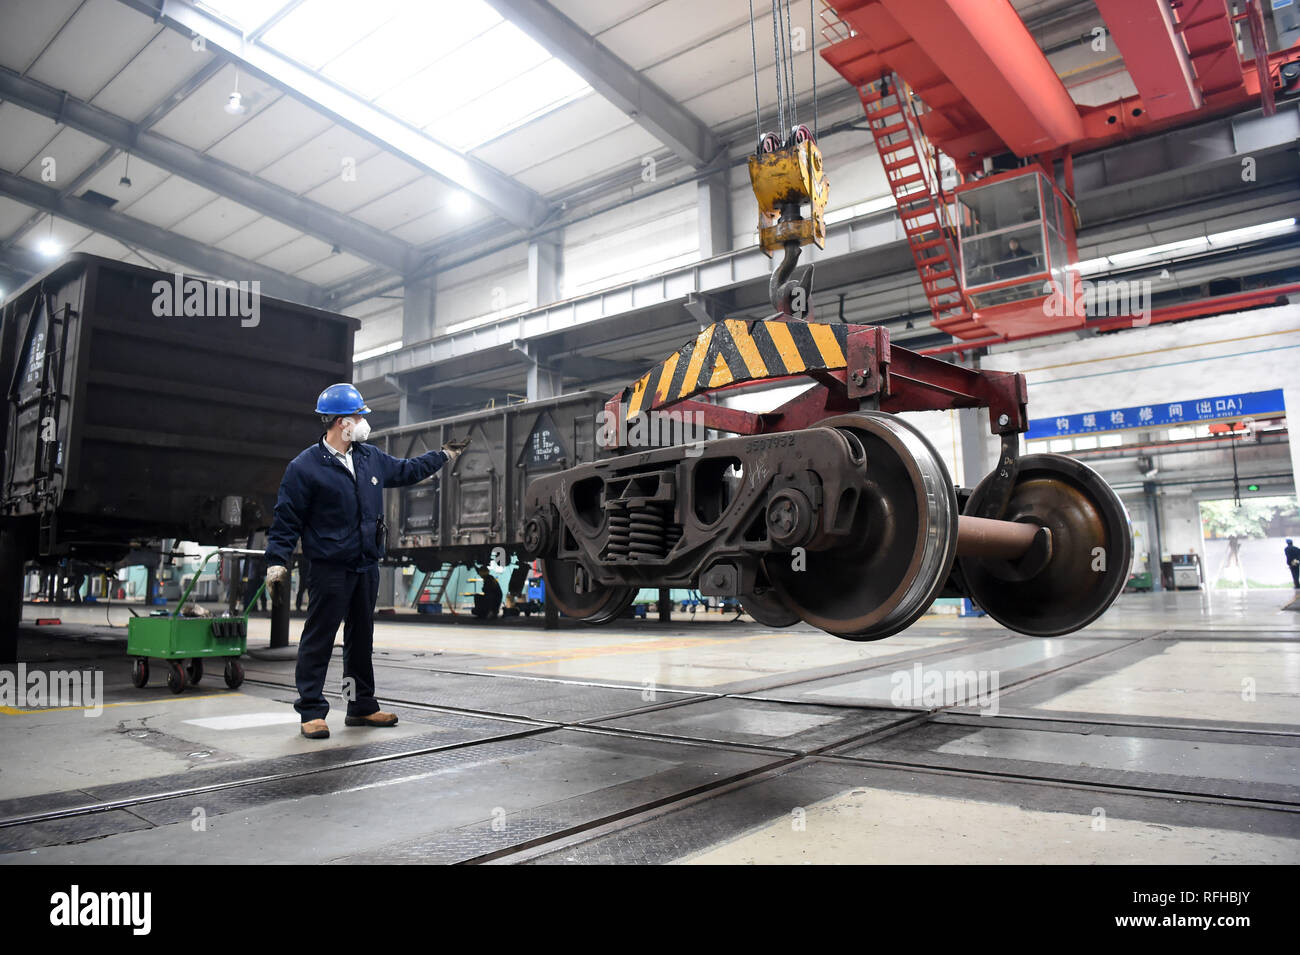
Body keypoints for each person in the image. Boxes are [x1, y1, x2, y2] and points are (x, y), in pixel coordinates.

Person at [264, 383, 469, 740]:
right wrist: (276, 562)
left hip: (365, 563)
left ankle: (359, 706)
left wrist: (443, 456)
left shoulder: (368, 457)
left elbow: (406, 470)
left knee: (361, 639)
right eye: (358, 415)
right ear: (340, 421)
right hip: (329, 566)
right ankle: (311, 710)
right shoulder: (305, 467)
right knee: (320, 638)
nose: (362, 421)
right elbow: (286, 519)